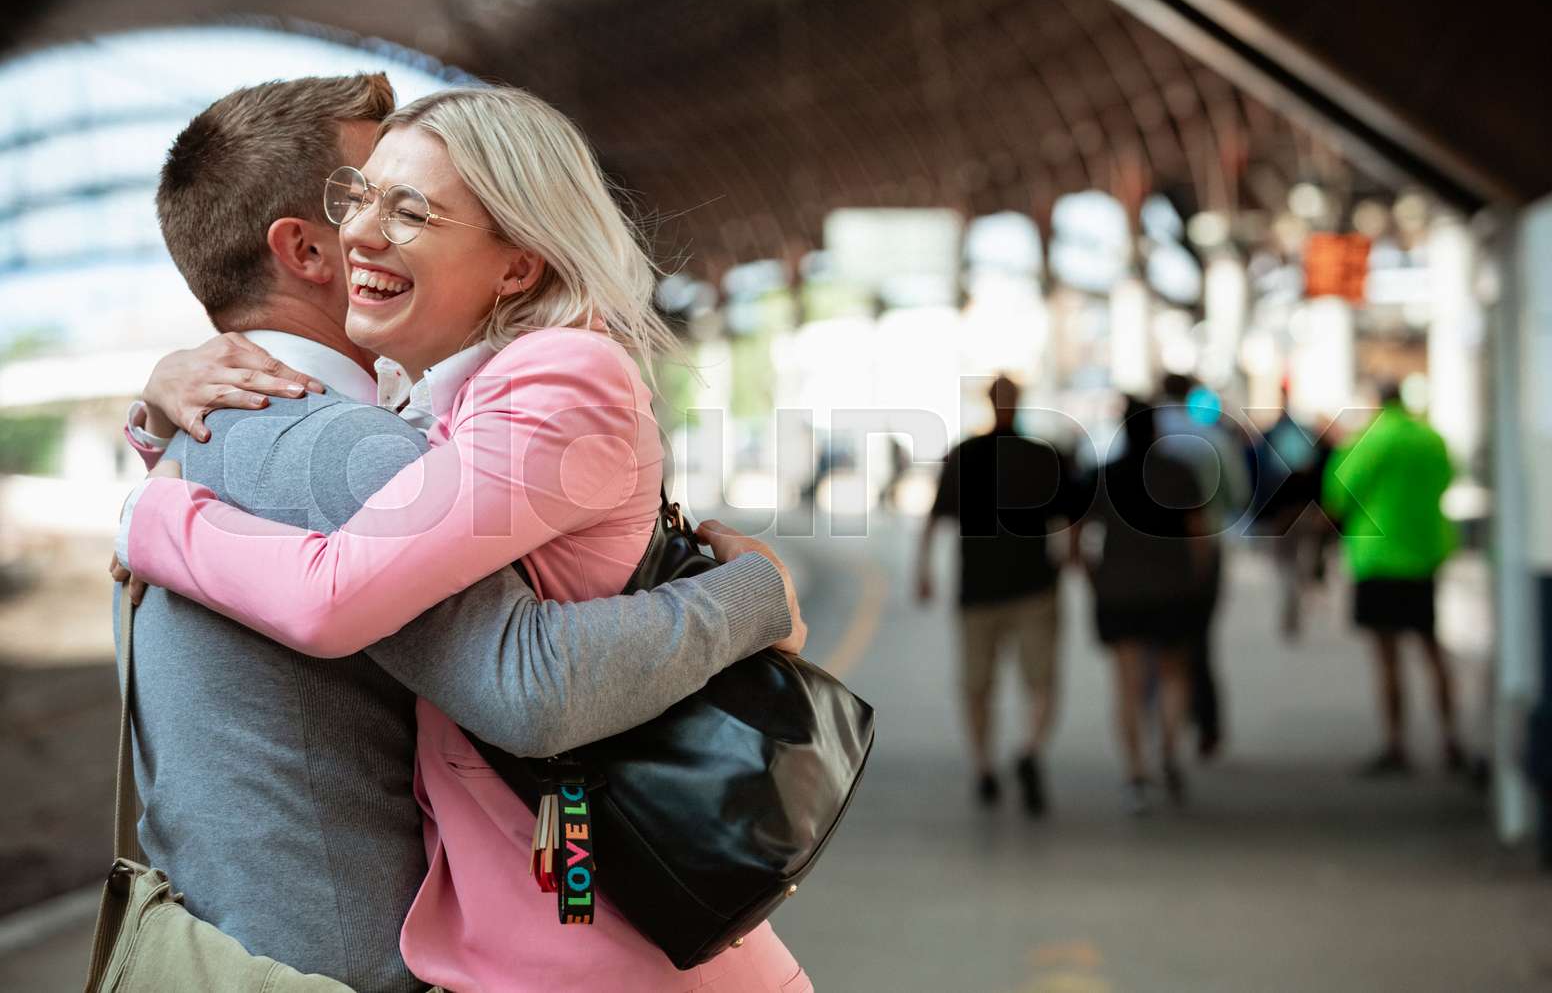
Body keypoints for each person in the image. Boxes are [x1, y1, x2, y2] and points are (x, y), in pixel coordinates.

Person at [113, 76, 809, 992]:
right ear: (304, 247)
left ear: (518, 263)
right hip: (481, 948)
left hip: (588, 942)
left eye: (406, 208)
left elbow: (526, 683)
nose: (364, 228)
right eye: (357, 194)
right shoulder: (349, 433)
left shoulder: (271, 437)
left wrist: (148, 509)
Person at [915, 375, 1079, 817]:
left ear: (989, 402)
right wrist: (1072, 555)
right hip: (1035, 587)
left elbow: (934, 519)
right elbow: (1071, 516)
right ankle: (1028, 749)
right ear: (1018, 401)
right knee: (1041, 681)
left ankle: (985, 767)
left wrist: (924, 570)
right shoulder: (1045, 456)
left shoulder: (966, 454)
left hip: (979, 590)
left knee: (976, 686)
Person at [1078, 397, 1213, 814]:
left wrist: (1094, 578)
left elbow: (1077, 538)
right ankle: (1169, 751)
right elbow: (1200, 537)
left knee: (1128, 685)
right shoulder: (1180, 473)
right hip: (1173, 591)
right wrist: (1197, 581)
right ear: (1156, 430)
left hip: (1119, 592)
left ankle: (1136, 773)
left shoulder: (1104, 476)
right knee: (1175, 674)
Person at [1323, 381, 1463, 777]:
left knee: (1387, 657)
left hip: (1378, 557)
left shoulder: (1369, 440)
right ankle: (1451, 739)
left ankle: (1396, 743)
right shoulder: (1430, 438)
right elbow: (1447, 478)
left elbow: (1338, 492)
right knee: (1432, 650)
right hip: (1424, 553)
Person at [1154, 373, 1248, 760]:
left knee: (1154, 646)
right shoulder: (1213, 437)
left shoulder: (1147, 435)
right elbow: (1239, 494)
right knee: (1199, 641)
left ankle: (1160, 731)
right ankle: (1204, 726)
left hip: (1151, 555)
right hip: (1205, 549)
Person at [1246, 385, 1334, 641]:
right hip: (1300, 510)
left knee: (1286, 564)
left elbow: (1257, 479)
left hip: (1282, 512)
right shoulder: (1305, 438)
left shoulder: (1269, 439)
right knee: (1295, 562)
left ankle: (1292, 604)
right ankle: (1296, 601)